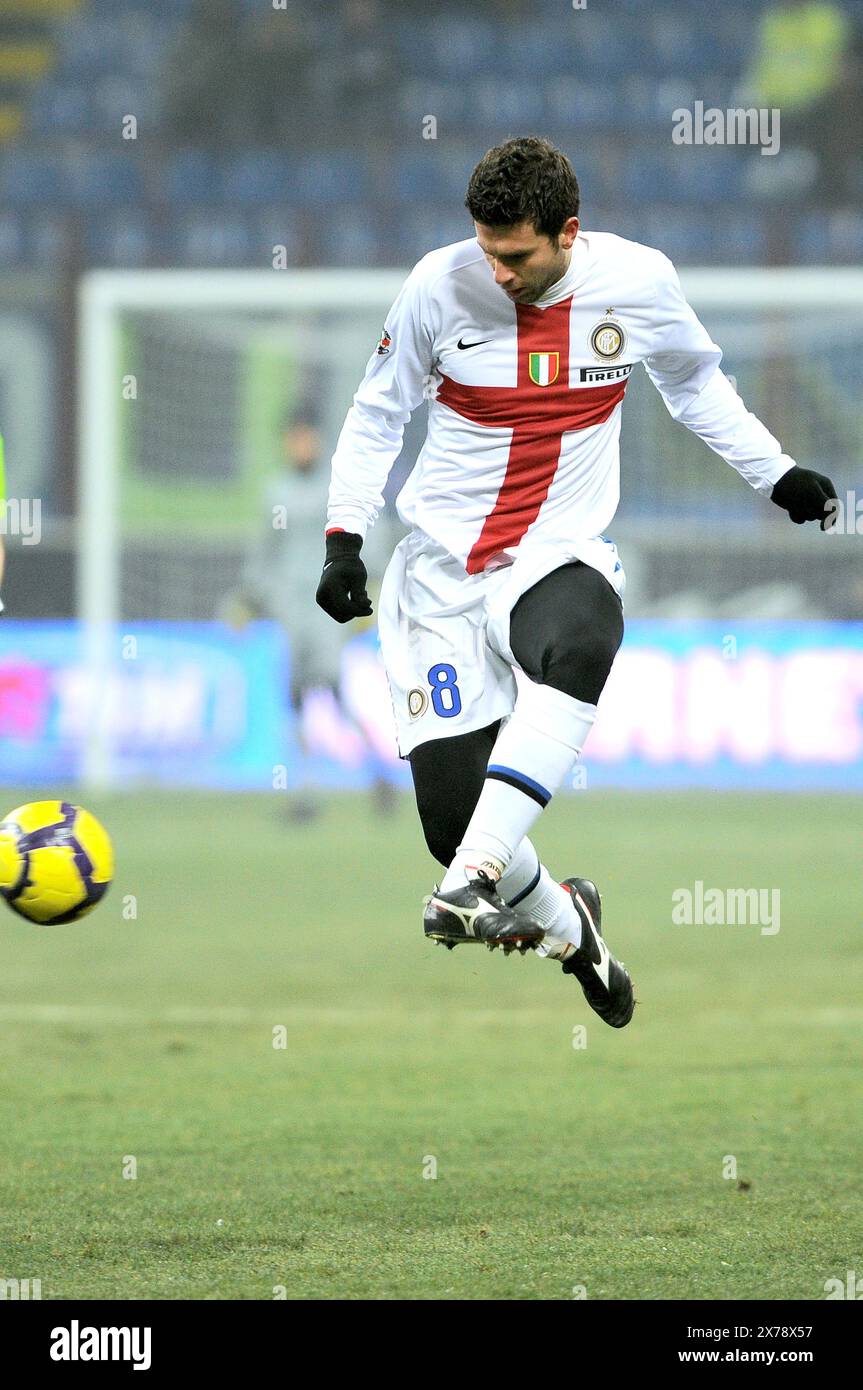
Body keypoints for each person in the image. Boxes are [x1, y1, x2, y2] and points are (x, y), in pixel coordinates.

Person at [315, 137, 837, 1029]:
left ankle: (470, 883)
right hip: (437, 579)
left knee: (581, 640)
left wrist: (776, 474)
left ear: (567, 232)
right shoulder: (438, 287)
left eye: (515, 254)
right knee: (452, 816)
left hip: (554, 550)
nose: (497, 269)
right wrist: (342, 540)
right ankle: (572, 930)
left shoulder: (638, 283)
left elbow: (693, 386)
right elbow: (377, 415)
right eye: (485, 249)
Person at [227, 404, 395, 820]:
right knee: (297, 697)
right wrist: (248, 598)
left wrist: (368, 588)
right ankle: (311, 791)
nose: (301, 444)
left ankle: (371, 774)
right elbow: (265, 553)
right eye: (294, 437)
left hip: (329, 608)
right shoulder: (276, 493)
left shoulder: (335, 486)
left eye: (306, 435)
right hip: (291, 611)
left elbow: (363, 536)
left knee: (332, 691)